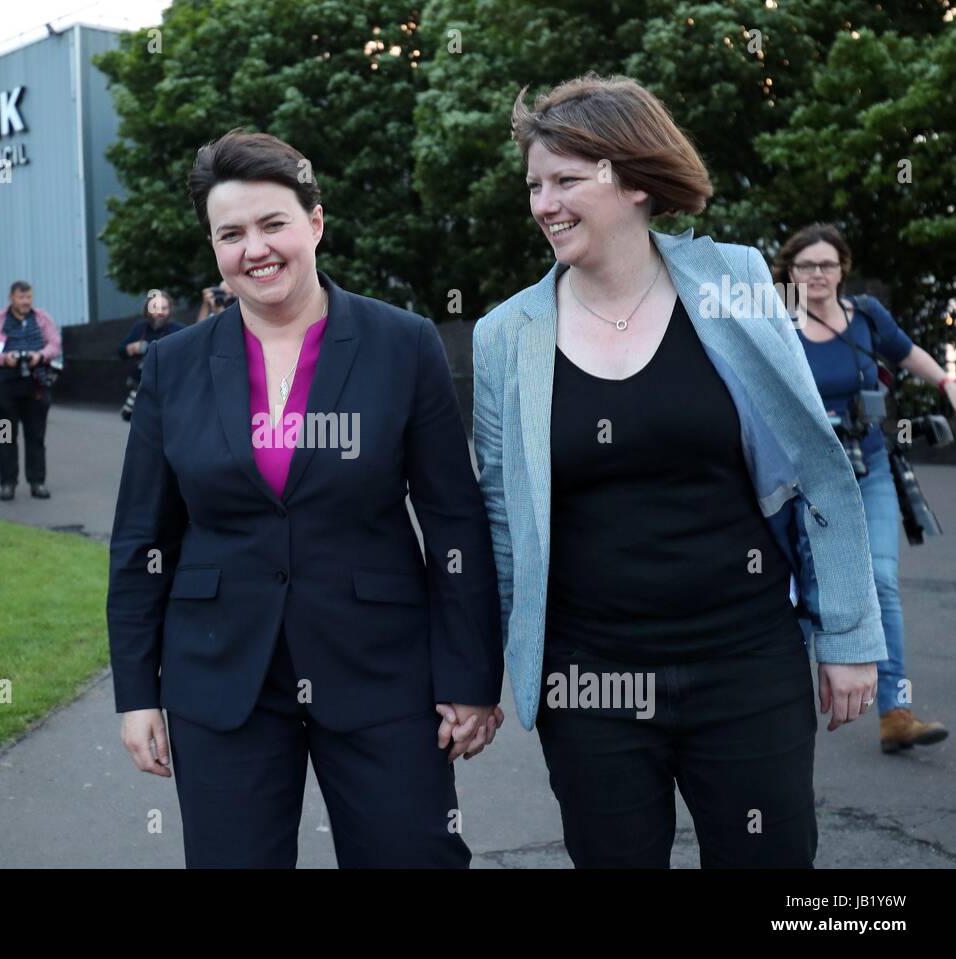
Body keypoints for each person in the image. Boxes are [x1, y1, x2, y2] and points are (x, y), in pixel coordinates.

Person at [472, 74, 886, 868]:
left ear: (631, 179)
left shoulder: (734, 281)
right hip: (589, 681)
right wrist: (478, 673)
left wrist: (850, 634)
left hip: (747, 663)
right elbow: (501, 518)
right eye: (534, 184)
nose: (544, 204)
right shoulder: (506, 334)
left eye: (566, 180)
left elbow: (818, 469)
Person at [107, 130, 504, 868]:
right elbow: (141, 539)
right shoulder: (174, 365)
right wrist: (136, 691)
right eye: (230, 234)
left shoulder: (404, 344)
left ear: (314, 223)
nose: (254, 248)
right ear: (214, 248)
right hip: (223, 678)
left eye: (272, 224)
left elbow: (455, 520)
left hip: (382, 672)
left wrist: (470, 677)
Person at [774, 223, 952, 753]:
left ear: (842, 268)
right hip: (801, 477)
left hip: (869, 466)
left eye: (827, 265)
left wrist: (946, 382)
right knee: (795, 590)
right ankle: (781, 709)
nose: (818, 275)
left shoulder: (867, 316)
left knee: (881, 579)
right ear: (791, 272)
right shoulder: (778, 323)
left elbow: (907, 354)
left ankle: (895, 711)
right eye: (807, 266)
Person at [0, 281, 61, 501]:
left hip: (36, 387)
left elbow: (55, 344)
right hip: (6, 388)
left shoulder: (43, 319)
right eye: (21, 297)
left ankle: (37, 482)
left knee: (36, 436)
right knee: (5, 436)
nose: (25, 302)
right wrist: (6, 359)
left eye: (28, 298)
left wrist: (40, 356)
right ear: (11, 298)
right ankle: (7, 483)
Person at [117, 290, 185, 420]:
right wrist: (130, 348)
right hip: (142, 385)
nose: (160, 312)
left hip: (170, 389)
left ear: (170, 310)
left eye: (164, 308)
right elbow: (121, 352)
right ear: (147, 310)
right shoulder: (140, 328)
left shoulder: (179, 329)